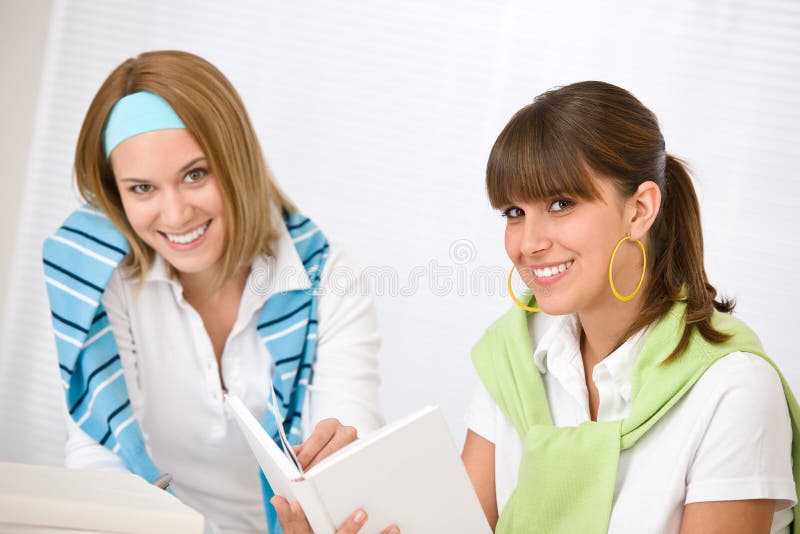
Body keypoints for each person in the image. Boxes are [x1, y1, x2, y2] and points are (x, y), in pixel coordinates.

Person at [42, 50, 386, 534]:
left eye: (195, 174)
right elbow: (98, 460)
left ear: (236, 162)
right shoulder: (97, 277)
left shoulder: (327, 278)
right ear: (114, 194)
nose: (176, 214)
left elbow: (350, 441)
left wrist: (343, 478)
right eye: (142, 188)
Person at [461, 81, 800, 533]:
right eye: (514, 212)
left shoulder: (732, 390)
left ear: (639, 210)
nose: (529, 243)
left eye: (560, 203)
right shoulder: (513, 356)